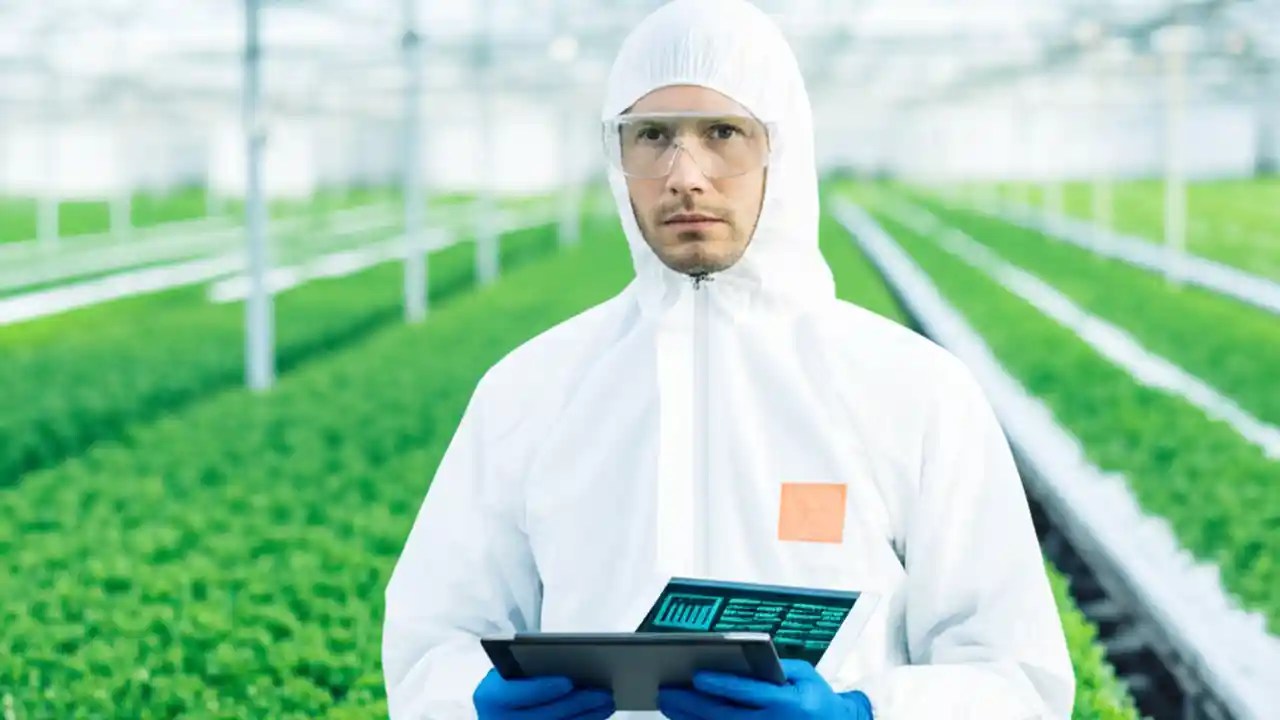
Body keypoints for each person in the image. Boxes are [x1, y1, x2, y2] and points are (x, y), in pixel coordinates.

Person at [381, 0, 1076, 718]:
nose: (685, 174)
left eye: (722, 133)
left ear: (783, 145)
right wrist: (469, 703)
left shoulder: (914, 390)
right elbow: (433, 640)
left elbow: (1015, 677)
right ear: (616, 157)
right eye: (651, 136)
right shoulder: (529, 391)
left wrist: (866, 712)